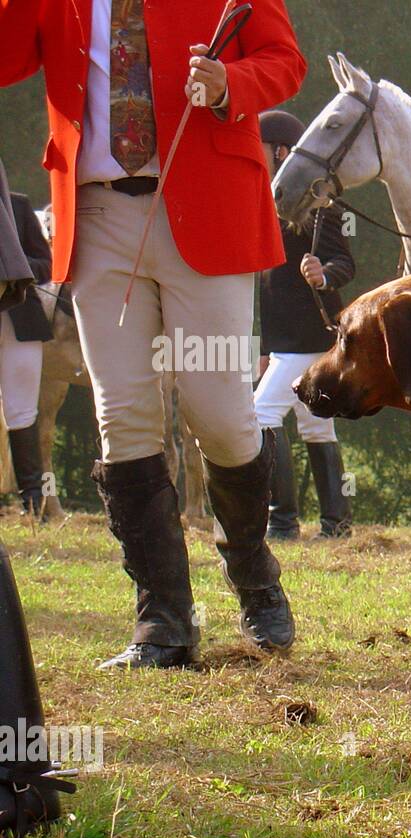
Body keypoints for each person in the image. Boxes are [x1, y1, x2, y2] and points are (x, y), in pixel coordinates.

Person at [0, 0, 307, 669]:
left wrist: (229, 84)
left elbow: (285, 62)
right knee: (125, 414)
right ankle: (163, 623)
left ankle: (254, 576)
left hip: (210, 206)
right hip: (98, 215)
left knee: (220, 415)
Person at [253, 109, 355, 541]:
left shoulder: (318, 207)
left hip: (312, 336)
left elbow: (344, 262)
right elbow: (268, 286)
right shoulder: (265, 206)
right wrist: (265, 347)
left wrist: (323, 274)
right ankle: (336, 524)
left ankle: (281, 521)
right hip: (285, 341)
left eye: (259, 150)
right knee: (315, 425)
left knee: (260, 414)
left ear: (280, 152)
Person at [0, 189, 52, 517]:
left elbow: (46, 264)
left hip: (22, 323)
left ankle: (33, 502)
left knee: (23, 413)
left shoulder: (18, 205)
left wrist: (13, 268)